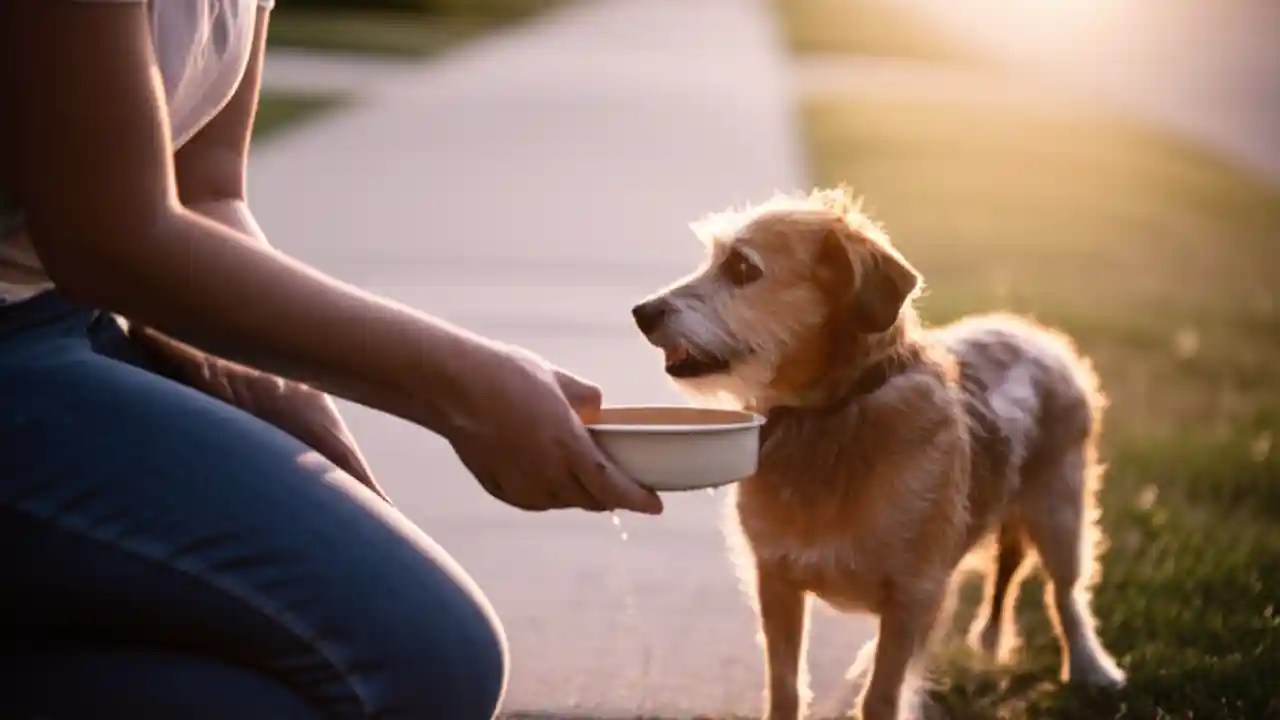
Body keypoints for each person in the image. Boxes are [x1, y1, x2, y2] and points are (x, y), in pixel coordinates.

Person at [0, 1, 663, 718]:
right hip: (23, 339)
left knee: (360, 656)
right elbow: (108, 240)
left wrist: (292, 398)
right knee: (418, 656)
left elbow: (206, 193)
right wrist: (462, 387)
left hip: (64, 321)